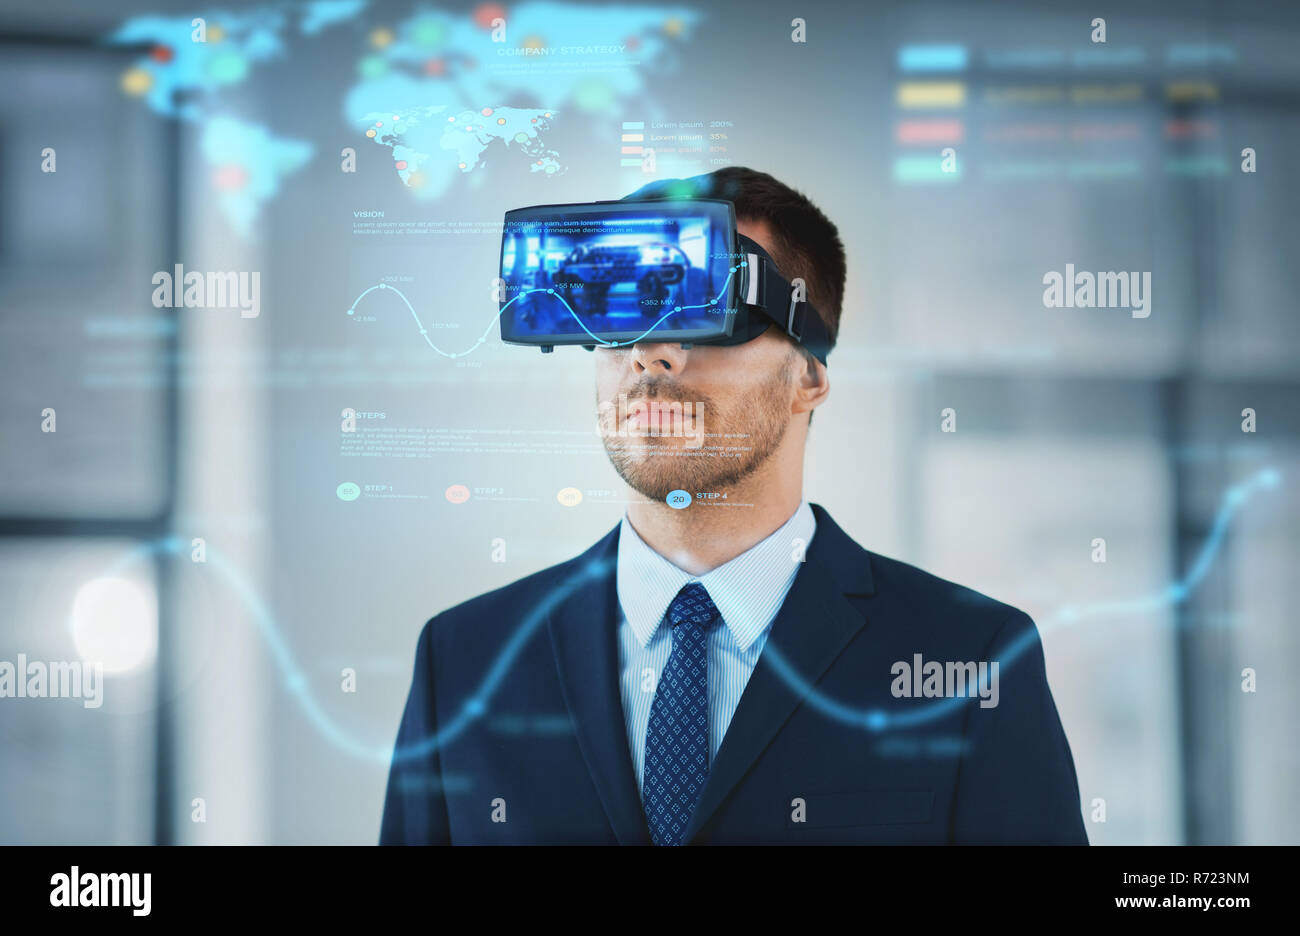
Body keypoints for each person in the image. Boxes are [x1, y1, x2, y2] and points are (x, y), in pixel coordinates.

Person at [380, 167, 1088, 845]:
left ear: (808, 374)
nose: (651, 354)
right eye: (617, 306)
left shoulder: (967, 660)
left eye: (705, 310)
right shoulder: (466, 662)